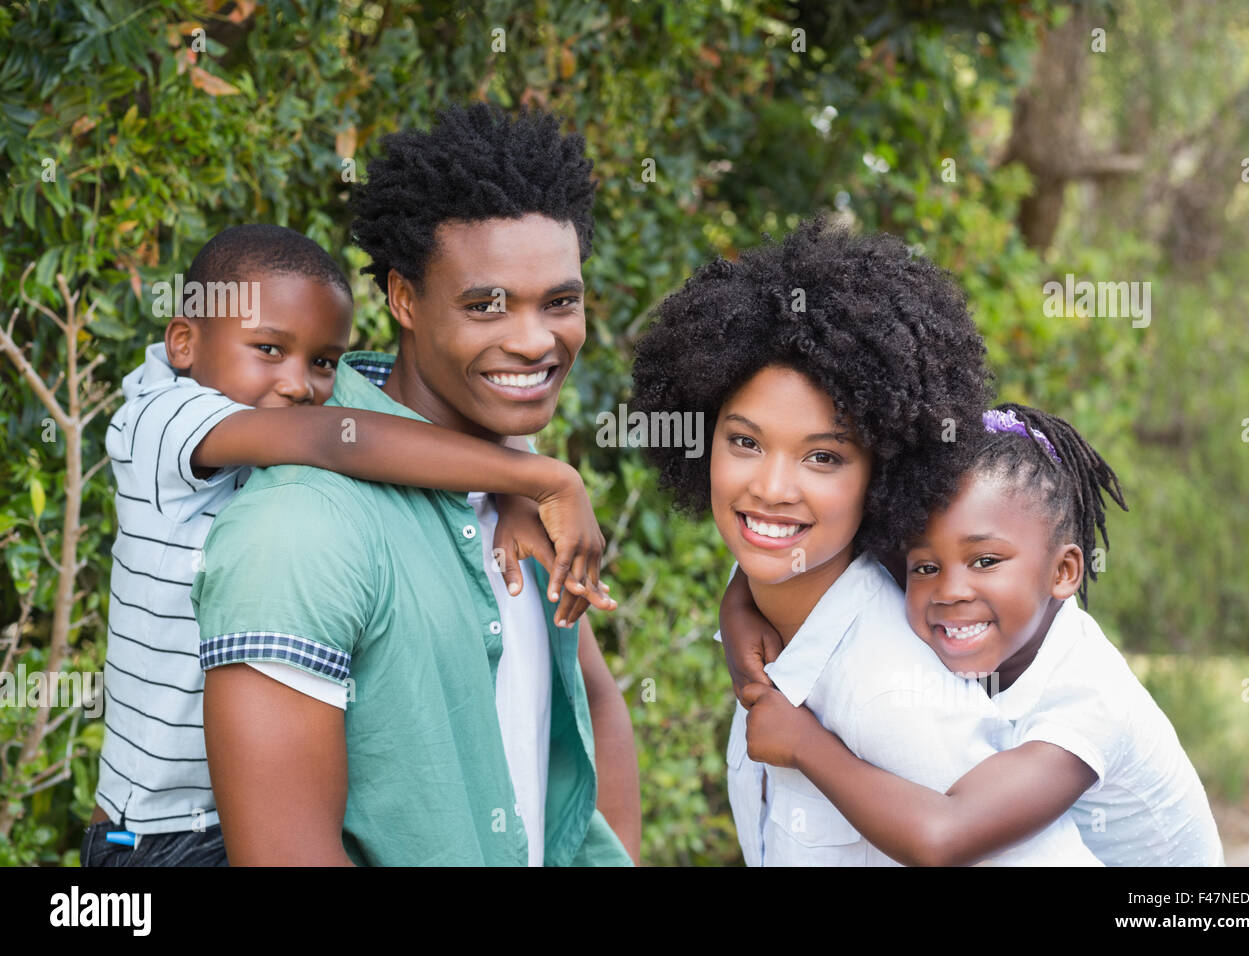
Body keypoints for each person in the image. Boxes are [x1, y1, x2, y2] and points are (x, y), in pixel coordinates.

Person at [83, 223, 613, 867]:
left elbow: (378, 402)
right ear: (185, 342)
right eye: (268, 349)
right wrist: (542, 479)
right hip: (163, 836)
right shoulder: (158, 416)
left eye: (322, 361)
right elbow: (337, 436)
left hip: (231, 812)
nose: (298, 383)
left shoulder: (275, 416)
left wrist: (507, 478)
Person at [193, 104, 640, 866]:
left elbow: (591, 701)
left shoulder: (522, 491)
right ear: (403, 299)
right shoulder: (300, 528)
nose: (535, 340)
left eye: (560, 302)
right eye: (485, 305)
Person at [632, 218, 1098, 865]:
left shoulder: (887, 685)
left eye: (822, 458)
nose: (770, 487)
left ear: (884, 474)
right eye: (745, 441)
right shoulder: (778, 620)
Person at [738, 403, 1225, 866]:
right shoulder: (1015, 621)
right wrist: (738, 606)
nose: (949, 591)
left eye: (986, 561)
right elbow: (819, 548)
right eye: (925, 566)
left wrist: (804, 745)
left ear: (1064, 571)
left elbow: (944, 837)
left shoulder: (1090, 701)